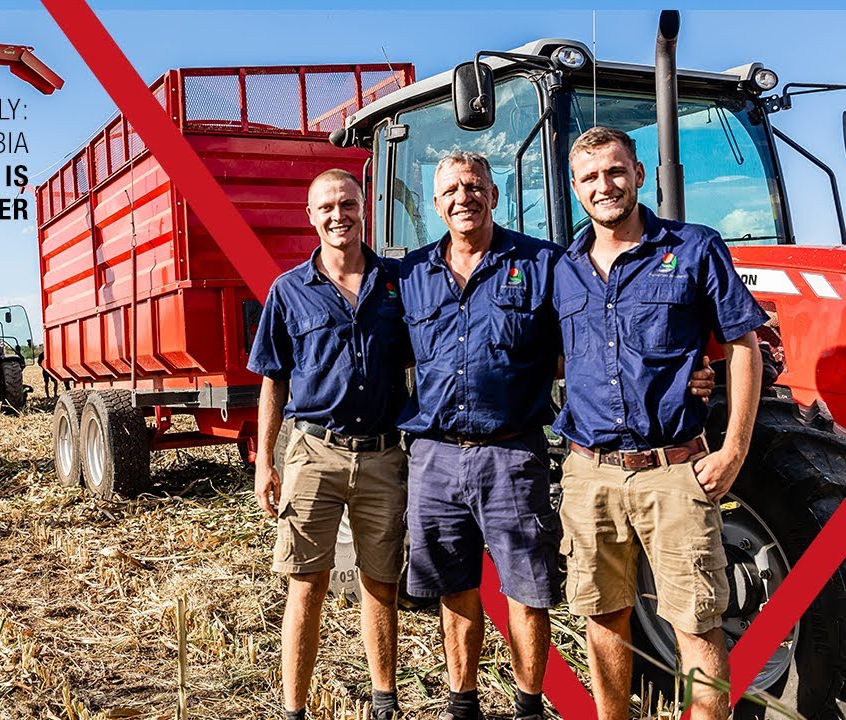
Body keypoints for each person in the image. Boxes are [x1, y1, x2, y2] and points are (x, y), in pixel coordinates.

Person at [554, 127, 765, 720]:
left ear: (639, 174)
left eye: (615, 171)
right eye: (591, 177)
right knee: (604, 619)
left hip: (674, 471)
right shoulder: (562, 268)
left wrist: (733, 450)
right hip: (589, 473)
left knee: (697, 623)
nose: (605, 186)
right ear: (575, 189)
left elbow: (743, 343)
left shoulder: (695, 247)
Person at [396, 151, 562, 720]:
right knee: (455, 587)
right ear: (436, 204)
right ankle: (462, 705)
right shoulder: (411, 275)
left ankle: (527, 707)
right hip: (435, 458)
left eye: (474, 187)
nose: (462, 198)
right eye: (449, 191)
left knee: (527, 589)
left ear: (494, 195)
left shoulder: (542, 264)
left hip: (511, 453)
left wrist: (689, 369)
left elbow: (594, 333)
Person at [249, 168, 410, 720]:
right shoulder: (289, 290)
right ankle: (294, 710)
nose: (338, 215)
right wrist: (264, 462)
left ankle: (384, 702)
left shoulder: (398, 283)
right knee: (307, 584)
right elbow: (274, 378)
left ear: (364, 206)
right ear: (311, 217)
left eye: (348, 203)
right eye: (327, 207)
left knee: (380, 582)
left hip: (385, 454)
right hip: (314, 451)